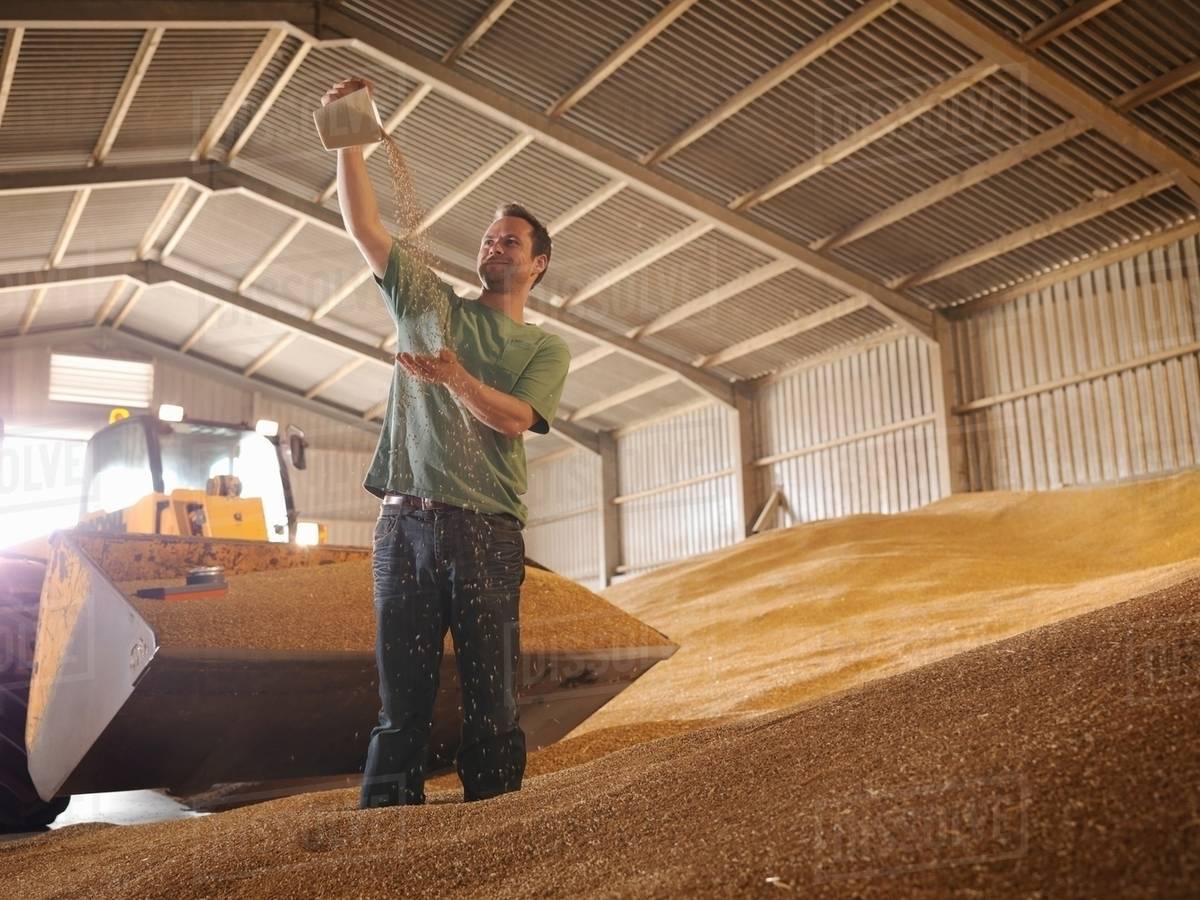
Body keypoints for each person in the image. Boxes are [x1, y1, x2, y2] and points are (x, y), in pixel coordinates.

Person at [322, 78, 571, 807]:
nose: (496, 246)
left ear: (538, 265)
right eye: (491, 238)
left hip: (485, 533)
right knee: (400, 705)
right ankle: (384, 838)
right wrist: (349, 140)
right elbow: (365, 226)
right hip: (402, 526)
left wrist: (456, 377)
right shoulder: (427, 301)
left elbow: (516, 420)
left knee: (491, 702)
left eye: (513, 242)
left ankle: (493, 832)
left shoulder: (542, 347)